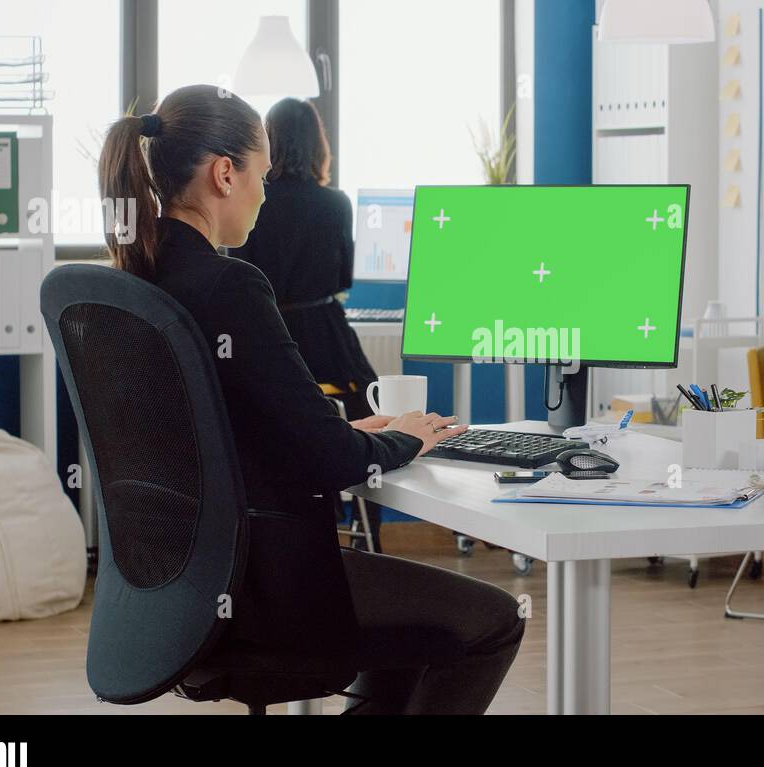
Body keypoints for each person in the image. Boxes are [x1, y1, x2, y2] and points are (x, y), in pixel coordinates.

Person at [97, 84, 524, 714]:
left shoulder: (136, 279)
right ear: (224, 173)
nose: (266, 195)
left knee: (416, 640)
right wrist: (406, 437)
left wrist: (357, 430)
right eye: (261, 177)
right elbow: (328, 460)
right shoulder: (228, 286)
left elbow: (226, 430)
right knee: (494, 620)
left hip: (180, 578)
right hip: (267, 581)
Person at [229, 98, 387, 551]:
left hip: (266, 338)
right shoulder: (334, 203)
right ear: (318, 145)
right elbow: (343, 279)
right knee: (375, 412)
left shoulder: (253, 199)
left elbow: (240, 271)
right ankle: (369, 539)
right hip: (327, 342)